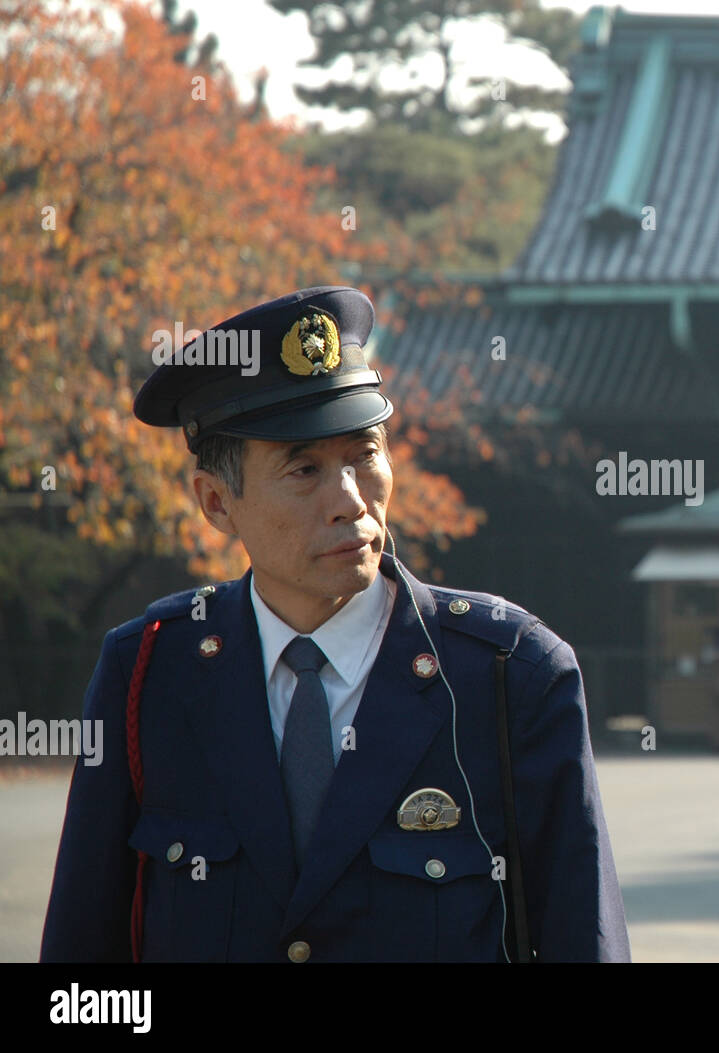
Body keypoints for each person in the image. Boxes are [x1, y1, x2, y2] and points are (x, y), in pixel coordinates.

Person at [40, 286, 630, 962]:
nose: (349, 499)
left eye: (363, 454)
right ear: (215, 500)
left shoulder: (510, 677)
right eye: (304, 468)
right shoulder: (147, 675)